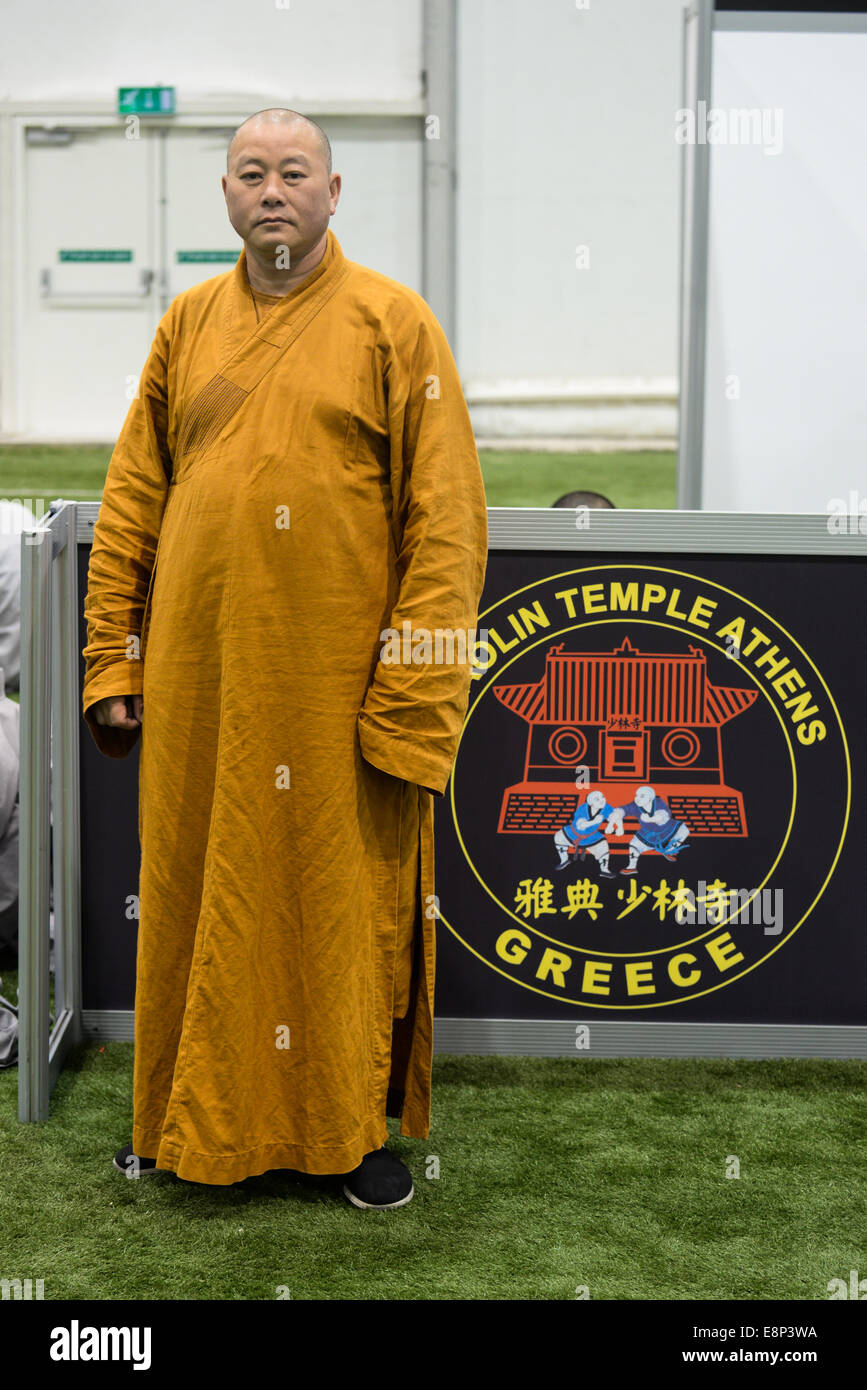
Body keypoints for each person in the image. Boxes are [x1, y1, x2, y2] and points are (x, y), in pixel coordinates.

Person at [81, 108, 488, 1209]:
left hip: (338, 688)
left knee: (336, 909)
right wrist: (113, 661)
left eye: (294, 172)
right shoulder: (186, 323)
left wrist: (413, 697)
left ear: (335, 192)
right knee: (190, 899)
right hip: (202, 680)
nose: (273, 189)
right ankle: (178, 1123)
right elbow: (131, 506)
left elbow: (445, 526)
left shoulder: (394, 323)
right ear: (223, 195)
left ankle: (347, 1134)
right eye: (251, 172)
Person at [606, 786, 689, 876]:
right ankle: (631, 866)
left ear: (650, 798)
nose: (637, 798)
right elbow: (624, 810)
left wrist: (652, 818)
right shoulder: (635, 806)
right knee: (634, 844)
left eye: (642, 796)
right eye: (636, 795)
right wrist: (617, 814)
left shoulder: (658, 802)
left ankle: (669, 850)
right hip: (649, 833)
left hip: (667, 827)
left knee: (684, 830)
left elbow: (665, 814)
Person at [553, 785, 616, 878]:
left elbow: (614, 815)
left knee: (603, 845)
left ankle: (605, 870)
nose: (602, 800)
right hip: (574, 833)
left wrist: (612, 825)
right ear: (591, 803)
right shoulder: (582, 808)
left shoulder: (606, 807)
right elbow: (580, 825)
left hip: (591, 836)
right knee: (558, 836)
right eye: (597, 799)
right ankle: (564, 860)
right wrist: (594, 821)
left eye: (602, 797)